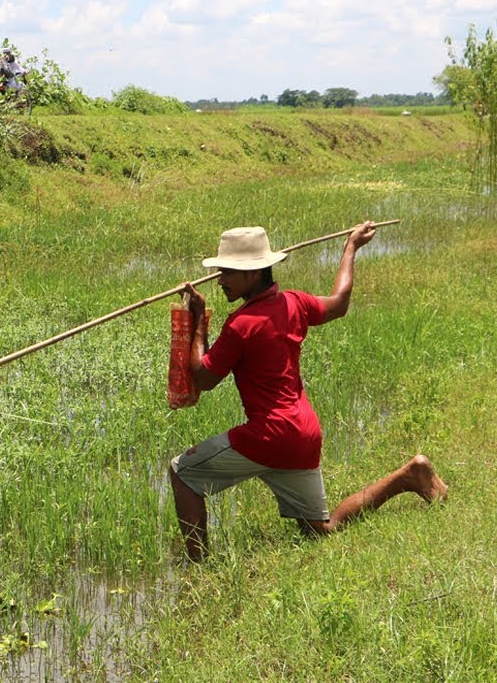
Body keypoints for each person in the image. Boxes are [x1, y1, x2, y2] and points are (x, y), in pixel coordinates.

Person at [168, 223, 447, 561]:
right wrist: (350, 248)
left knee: (182, 473)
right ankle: (410, 475)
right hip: (302, 432)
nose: (220, 279)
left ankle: (198, 567)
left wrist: (198, 321)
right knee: (321, 530)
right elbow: (340, 302)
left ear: (254, 274)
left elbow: (204, 378)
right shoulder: (294, 303)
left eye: (228, 271)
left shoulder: (241, 324)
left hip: (268, 436)